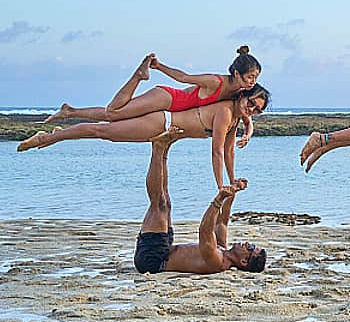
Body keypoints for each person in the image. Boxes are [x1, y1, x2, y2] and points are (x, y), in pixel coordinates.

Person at [18, 85, 270, 194]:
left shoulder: (235, 118)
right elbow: (216, 152)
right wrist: (219, 186)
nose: (252, 110)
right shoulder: (225, 112)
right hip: (162, 123)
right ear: (242, 97)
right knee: (103, 130)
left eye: (257, 109)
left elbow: (228, 153)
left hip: (165, 126)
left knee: (109, 123)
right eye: (250, 103)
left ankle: (70, 112)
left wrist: (233, 178)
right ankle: (49, 138)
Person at [44, 46, 262, 147]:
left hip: (169, 113)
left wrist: (248, 134)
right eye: (250, 76)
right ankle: (140, 75)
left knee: (113, 117)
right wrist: (159, 67)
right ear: (237, 73)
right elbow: (183, 77)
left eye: (255, 78)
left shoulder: (239, 94)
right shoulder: (217, 82)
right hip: (168, 98)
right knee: (113, 113)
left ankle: (70, 111)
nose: (253, 81)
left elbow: (247, 117)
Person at [133, 128, 266, 275]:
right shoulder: (222, 248)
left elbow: (204, 230)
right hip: (165, 248)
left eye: (251, 248)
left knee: (160, 205)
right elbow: (222, 222)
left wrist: (219, 199)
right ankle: (163, 149)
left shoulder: (217, 261)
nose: (248, 243)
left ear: (244, 261)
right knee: (166, 203)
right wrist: (233, 191)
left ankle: (158, 148)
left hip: (153, 260)